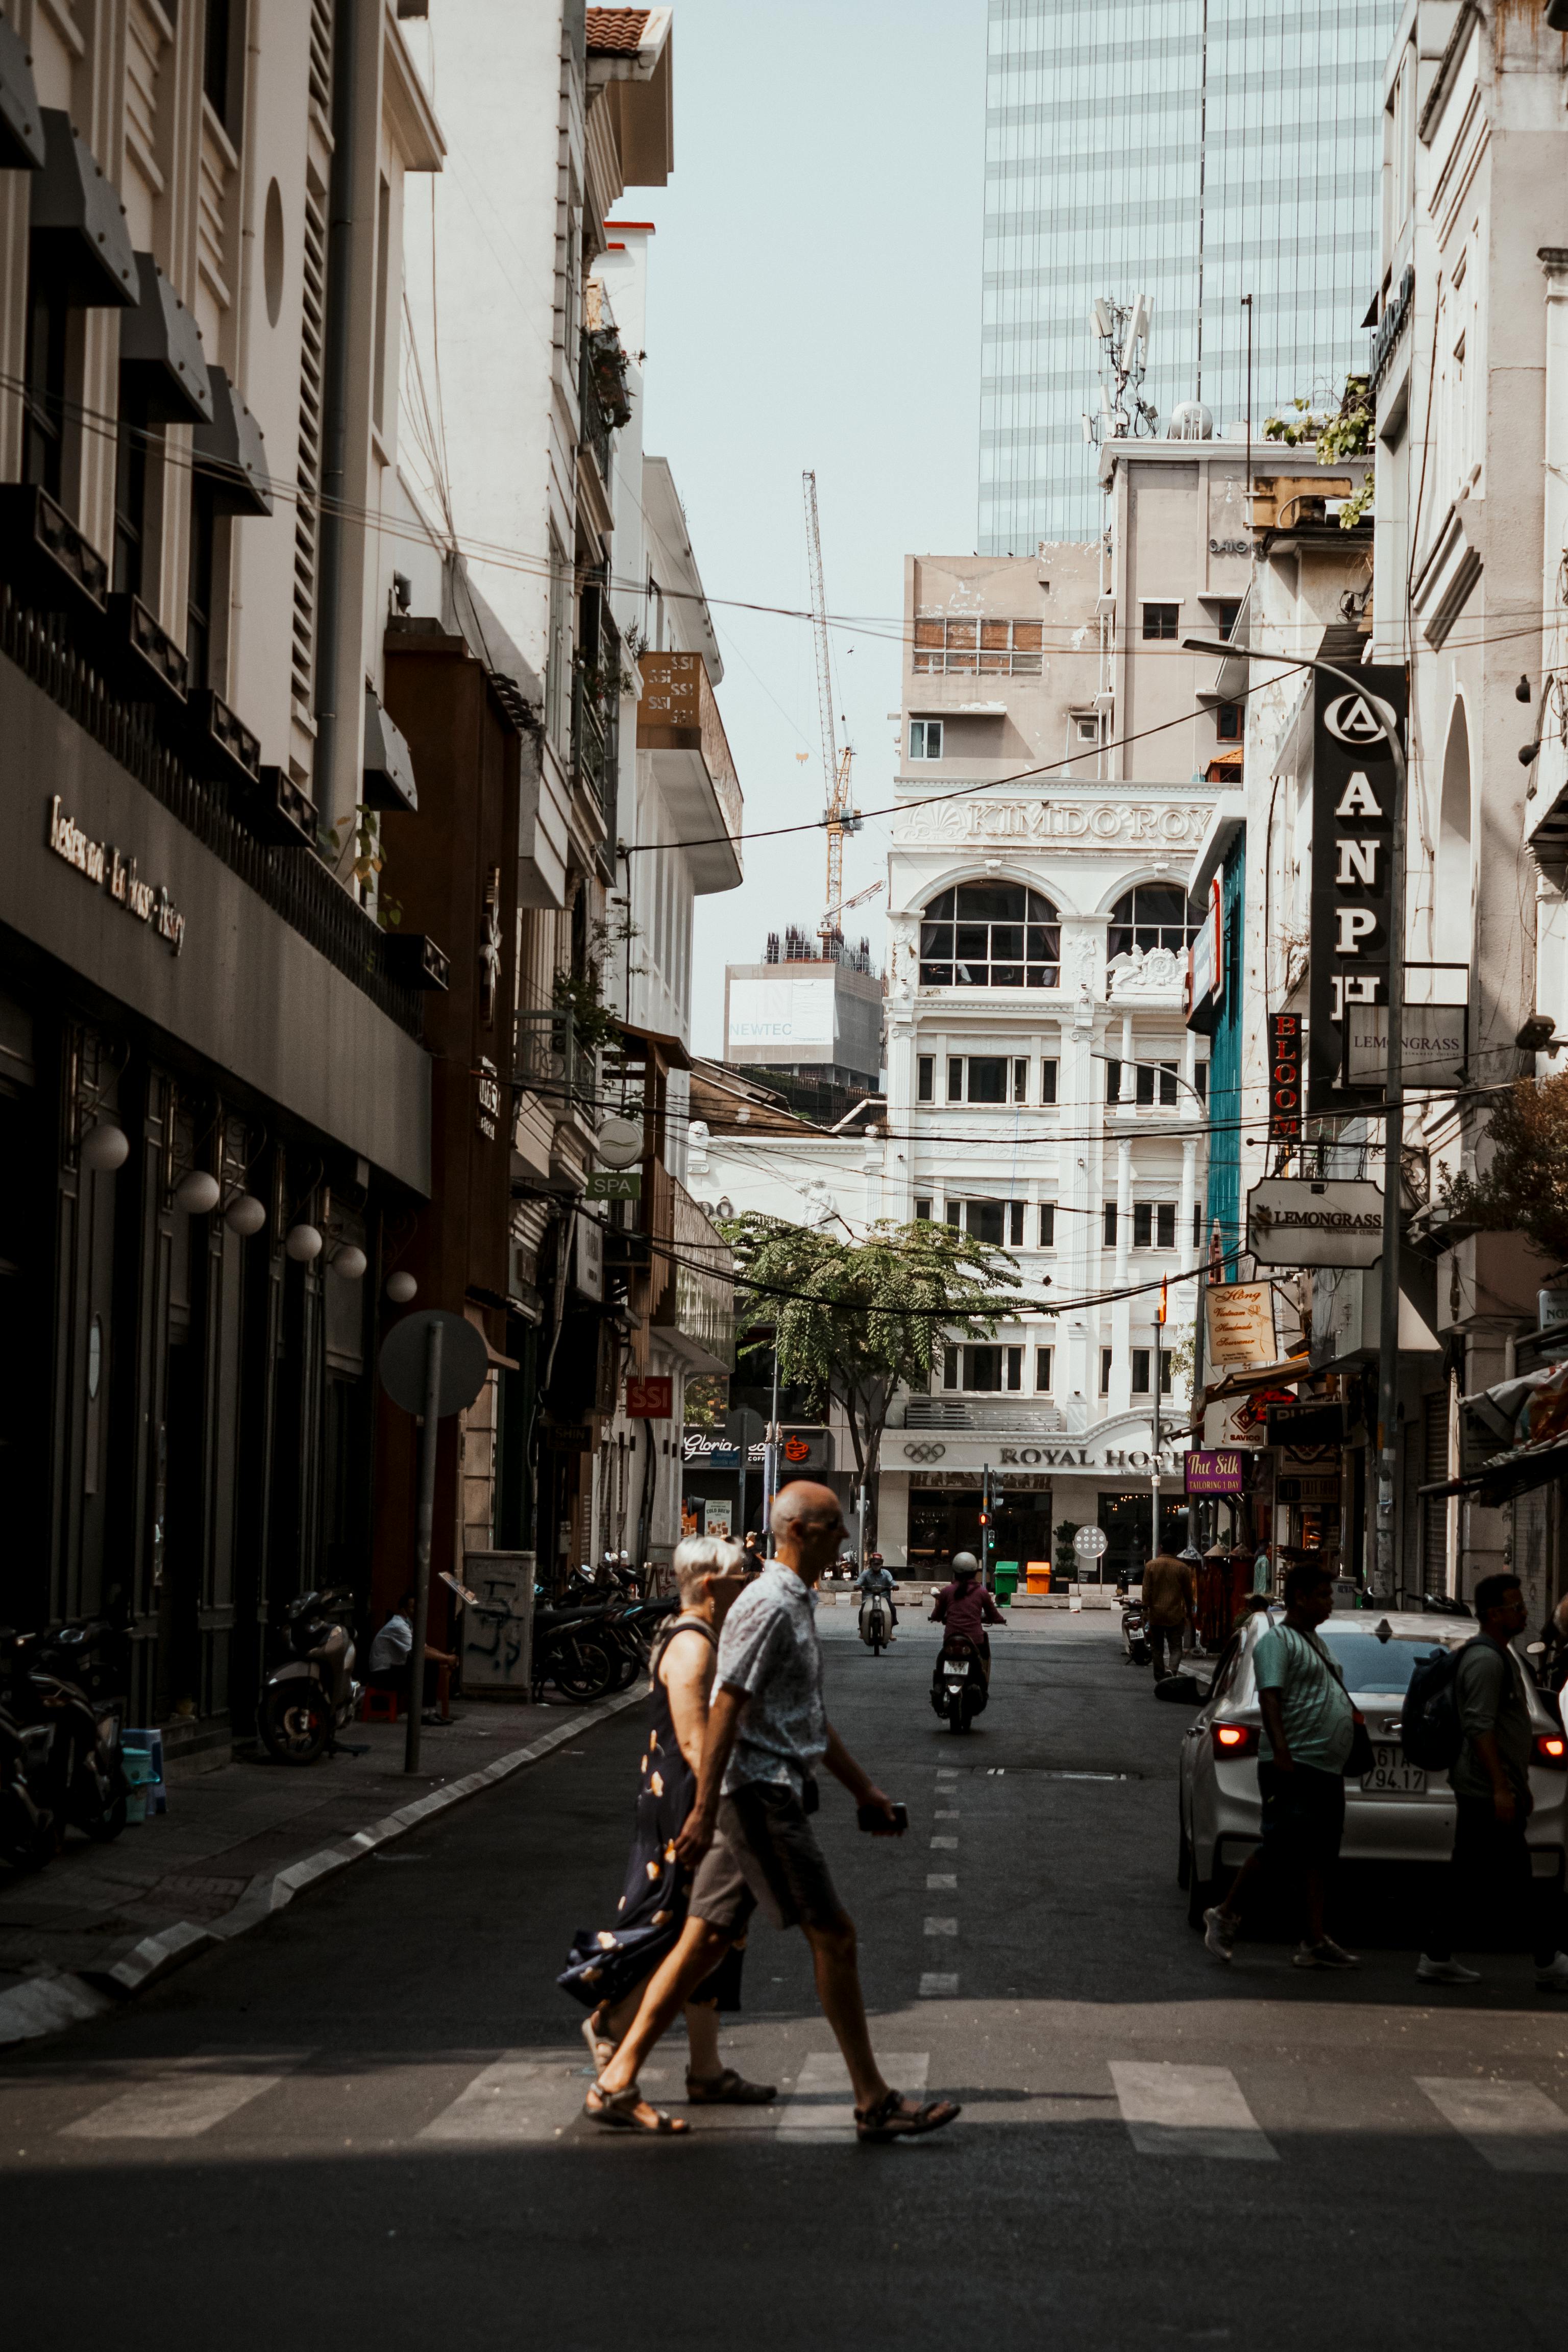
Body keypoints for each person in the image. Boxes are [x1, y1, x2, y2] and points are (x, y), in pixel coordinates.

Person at [583, 1481, 960, 2141]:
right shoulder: (770, 1604)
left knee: (704, 1940)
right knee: (834, 1935)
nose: (845, 1537)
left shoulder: (792, 1602)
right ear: (802, 1532)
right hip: (758, 1794)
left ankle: (616, 2080)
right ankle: (872, 2098)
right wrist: (703, 1811)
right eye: (835, 1526)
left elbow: (803, 1719)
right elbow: (727, 1703)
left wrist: (863, 1790)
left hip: (764, 1786)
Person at [559, 1537, 775, 2105]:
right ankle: (610, 2023)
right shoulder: (693, 1645)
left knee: (714, 1932)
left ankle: (706, 2069)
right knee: (680, 1926)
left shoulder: (701, 1636)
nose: (747, 1585)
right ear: (710, 1586)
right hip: (685, 1799)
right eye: (739, 1577)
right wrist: (714, 1810)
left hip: (688, 1794)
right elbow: (692, 1739)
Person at [1203, 1560, 1359, 1970]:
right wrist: (1284, 1753)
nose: (1330, 1603)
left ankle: (1313, 1939)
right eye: (1323, 1596)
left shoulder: (1318, 1644)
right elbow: (1270, 1697)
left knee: (1318, 1855)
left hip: (1324, 1767)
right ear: (1300, 1598)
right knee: (1282, 1843)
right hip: (1295, 1763)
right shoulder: (1278, 1642)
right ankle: (1224, 1915)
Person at [1417, 1572, 1568, 1991]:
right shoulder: (1486, 1660)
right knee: (1516, 1877)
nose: (1524, 1613)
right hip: (1484, 1789)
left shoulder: (1496, 1655)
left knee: (1470, 1874)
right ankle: (1548, 1960)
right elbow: (1479, 1726)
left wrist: (1516, 1786)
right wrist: (1502, 1787)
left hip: (1490, 1787)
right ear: (1494, 1614)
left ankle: (1438, 1954)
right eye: (1516, 1607)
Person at [366, 1588, 458, 1723]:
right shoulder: (398, 1626)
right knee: (427, 1665)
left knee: (431, 1663)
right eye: (413, 1608)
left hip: (394, 1669)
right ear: (403, 1610)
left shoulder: (409, 1626)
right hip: (382, 1675)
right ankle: (424, 1713)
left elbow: (425, 1648)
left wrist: (446, 1656)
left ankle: (430, 1710)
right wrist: (447, 1659)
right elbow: (419, 1652)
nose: (416, 1611)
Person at [930, 1552, 1004, 1678]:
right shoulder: (982, 1592)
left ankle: (940, 1684)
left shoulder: (947, 1591)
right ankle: (983, 1680)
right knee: (983, 1658)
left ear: (954, 1571)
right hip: (975, 1639)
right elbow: (993, 1614)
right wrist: (1000, 1620)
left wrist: (934, 1618)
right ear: (975, 1572)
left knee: (941, 1661)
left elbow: (937, 1613)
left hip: (951, 1638)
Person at [1140, 1543, 1196, 1681]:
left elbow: (1146, 1591)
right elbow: (1189, 1594)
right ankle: (1172, 1671)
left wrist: (1145, 1611)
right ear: (1176, 1551)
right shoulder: (1182, 1568)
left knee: (1157, 1647)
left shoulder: (1151, 1565)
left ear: (1161, 1548)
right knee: (1176, 1647)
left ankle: (1159, 1677)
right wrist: (1189, 1612)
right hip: (1175, 1614)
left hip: (1156, 1614)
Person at [855, 1552, 900, 1640]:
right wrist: (858, 1586)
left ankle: (890, 1632)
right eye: (874, 1564)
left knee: (893, 1609)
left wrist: (895, 1586)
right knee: (862, 1611)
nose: (876, 1566)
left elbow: (892, 1582)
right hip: (869, 1597)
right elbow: (858, 1582)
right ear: (871, 1564)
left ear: (882, 1564)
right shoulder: (866, 1573)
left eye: (878, 1564)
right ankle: (862, 1630)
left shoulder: (886, 1573)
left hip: (884, 1597)